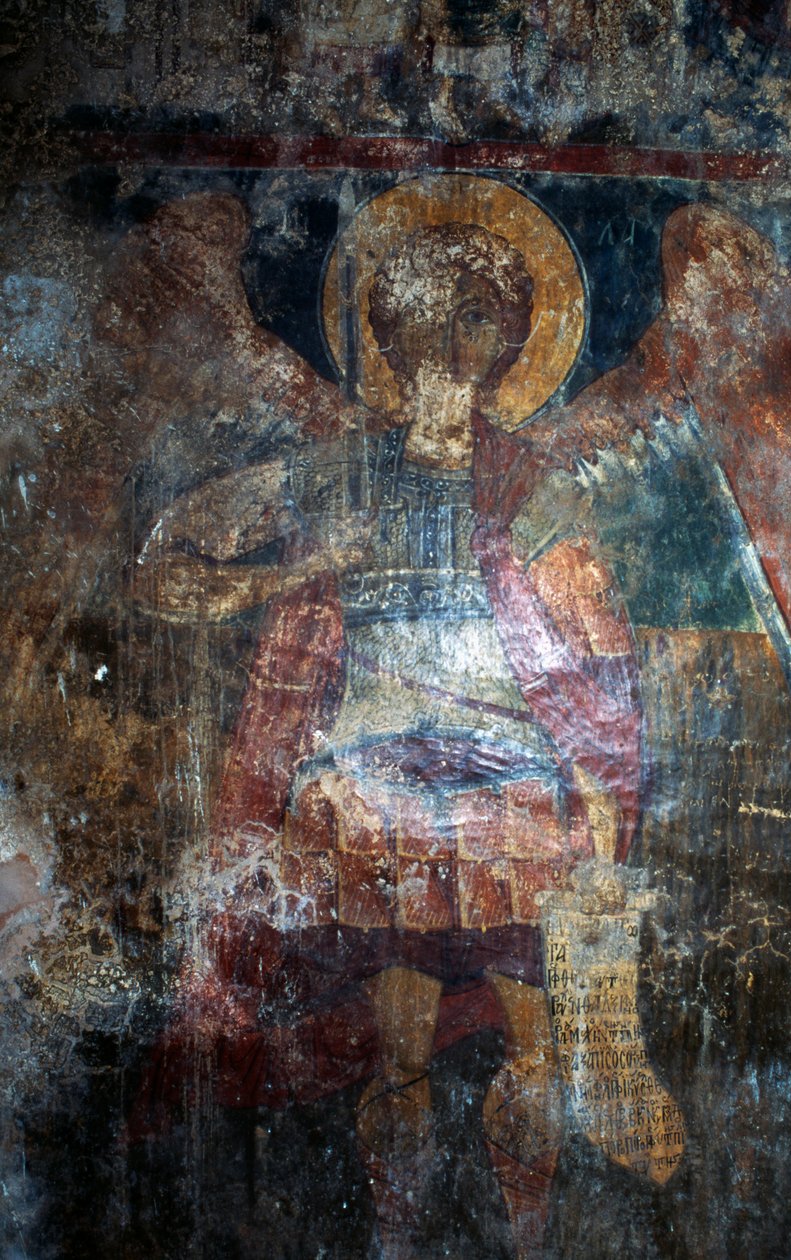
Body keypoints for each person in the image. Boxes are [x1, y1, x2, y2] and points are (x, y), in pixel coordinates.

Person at [135, 220, 643, 1258]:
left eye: (471, 323)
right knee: (400, 1052)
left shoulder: (531, 488)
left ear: (507, 342)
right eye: (420, 321)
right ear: (385, 336)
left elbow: (596, 668)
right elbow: (164, 571)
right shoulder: (338, 478)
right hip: (371, 786)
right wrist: (289, 571)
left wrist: (602, 808)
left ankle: (533, 1236)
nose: (447, 349)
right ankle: (397, 1240)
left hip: (512, 793)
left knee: (535, 1052)